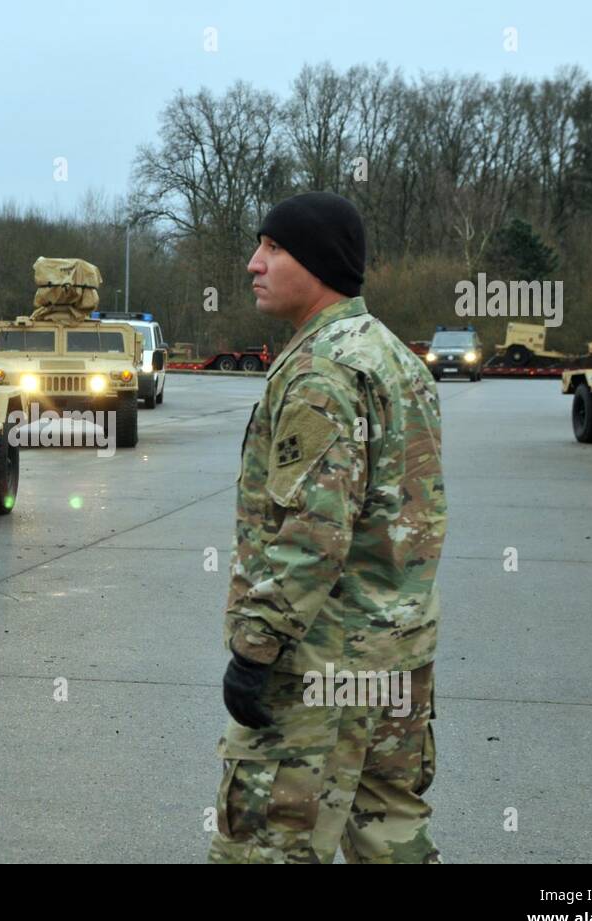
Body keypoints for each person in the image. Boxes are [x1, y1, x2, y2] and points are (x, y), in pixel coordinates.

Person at [208, 192, 448, 864]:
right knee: (390, 832)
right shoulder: (395, 358)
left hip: (321, 666)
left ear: (316, 263)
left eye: (273, 249)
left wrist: (256, 648)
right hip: (398, 653)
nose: (254, 264)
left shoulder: (322, 370)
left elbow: (314, 534)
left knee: (265, 844)